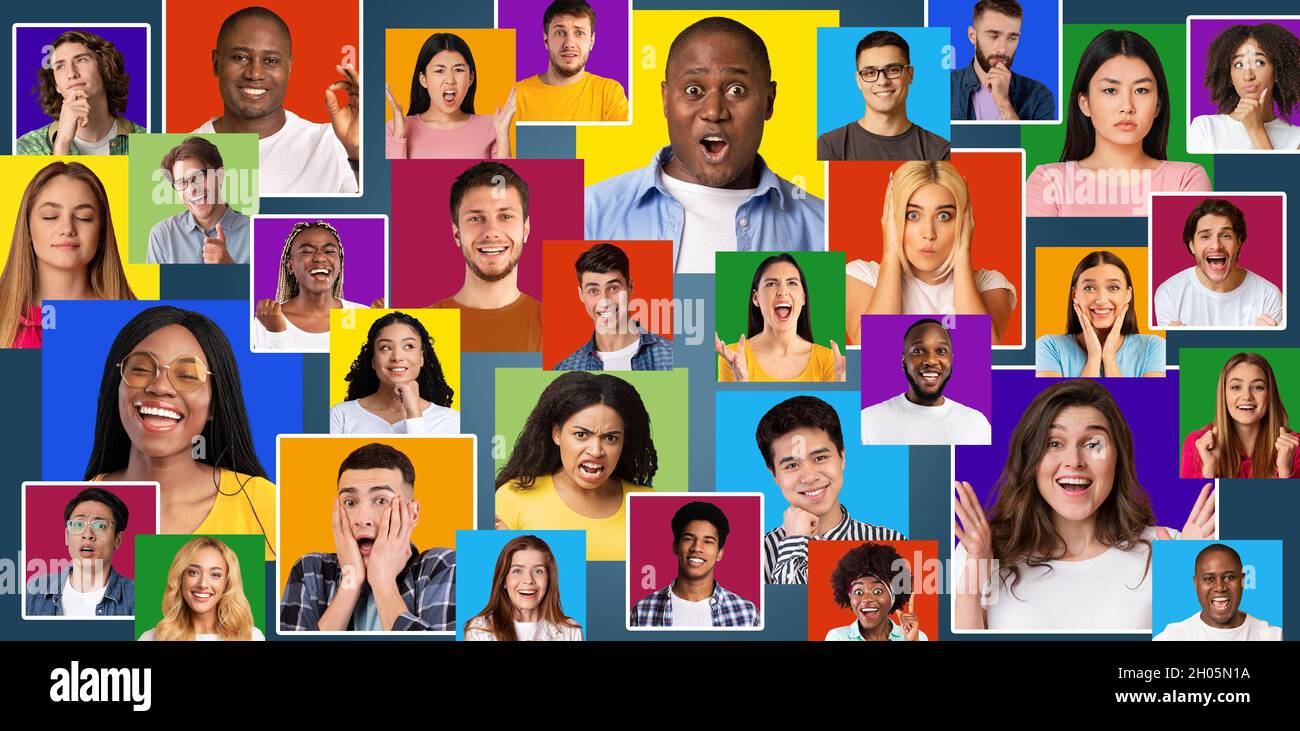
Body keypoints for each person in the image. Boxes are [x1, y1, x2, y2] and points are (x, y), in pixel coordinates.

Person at [953, 379, 1217, 631]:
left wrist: (1189, 583)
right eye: (1054, 443)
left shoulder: (1169, 549)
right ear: (1031, 459)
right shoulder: (982, 551)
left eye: (1093, 444)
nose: (1074, 460)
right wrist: (973, 580)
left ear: (1118, 458)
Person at [584, 17, 824, 274]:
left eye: (736, 90)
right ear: (665, 100)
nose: (713, 111)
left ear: (768, 100)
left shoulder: (822, 227)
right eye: (694, 90)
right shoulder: (589, 213)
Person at [83, 306, 277, 559]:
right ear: (116, 386)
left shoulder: (264, 505)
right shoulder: (74, 508)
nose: (160, 386)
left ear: (214, 405)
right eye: (141, 368)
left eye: (187, 375)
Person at [1026, 30, 1210, 217]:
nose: (1127, 106)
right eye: (1111, 90)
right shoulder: (1048, 181)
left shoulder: (1186, 180)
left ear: (1157, 105)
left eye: (1141, 90)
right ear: (1085, 103)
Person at [280, 443, 456, 632]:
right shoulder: (310, 570)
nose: (362, 520)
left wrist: (383, 581)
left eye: (381, 501)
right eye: (350, 502)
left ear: (412, 515)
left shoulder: (441, 566)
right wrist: (350, 581)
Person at [845, 160, 1016, 345]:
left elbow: (982, 352)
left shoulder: (990, 285)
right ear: (893, 219)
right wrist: (890, 253)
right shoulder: (862, 276)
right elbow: (873, 349)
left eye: (944, 216)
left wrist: (963, 253)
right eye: (912, 215)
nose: (929, 233)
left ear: (962, 222)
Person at [494, 371, 658, 561]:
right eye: (581, 435)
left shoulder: (647, 504)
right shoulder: (513, 497)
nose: (596, 451)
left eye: (610, 438)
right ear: (557, 433)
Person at [196, 6, 359, 195]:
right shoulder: (180, 158)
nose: (255, 73)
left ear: (289, 67)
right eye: (240, 58)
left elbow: (381, 218)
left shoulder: (334, 144)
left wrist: (357, 153)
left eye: (271, 60)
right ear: (216, 63)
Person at [756, 396, 903, 585]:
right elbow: (786, 613)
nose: (809, 477)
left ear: (842, 457)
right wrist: (795, 541)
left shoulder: (892, 543)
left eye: (820, 458)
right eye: (792, 465)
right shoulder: (755, 558)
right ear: (774, 474)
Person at [0, 161, 136, 349]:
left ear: (101, 231)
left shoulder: (132, 321)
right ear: (28, 229)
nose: (67, 229)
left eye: (83, 218)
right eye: (50, 216)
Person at [430, 161, 542, 352]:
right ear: (457, 233)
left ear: (525, 229)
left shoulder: (561, 329)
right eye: (475, 218)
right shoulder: (421, 330)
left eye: (505, 216)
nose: (491, 232)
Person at [818, 30, 951, 160]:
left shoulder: (940, 151)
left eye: (893, 70)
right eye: (870, 72)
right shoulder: (829, 147)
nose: (882, 81)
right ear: (858, 80)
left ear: (910, 74)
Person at [715, 253, 845, 382]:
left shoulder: (828, 360)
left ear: (803, 297)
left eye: (792, 283)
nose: (782, 291)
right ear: (756, 298)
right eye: (771, 284)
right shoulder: (734, 357)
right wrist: (741, 380)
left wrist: (841, 386)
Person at [860, 318, 992, 445]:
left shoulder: (977, 424)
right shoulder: (867, 422)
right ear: (903, 361)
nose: (931, 360)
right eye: (918, 351)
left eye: (941, 351)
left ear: (951, 361)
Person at [1154, 198, 1283, 327]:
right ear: (1192, 245)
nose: (1216, 246)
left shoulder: (1269, 295)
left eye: (1226, 236)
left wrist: (1271, 340)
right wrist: (1170, 343)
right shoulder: (1169, 293)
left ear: (1238, 242)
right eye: (1205, 236)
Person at [384, 32, 515, 159]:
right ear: (423, 79)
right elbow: (387, 179)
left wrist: (502, 134)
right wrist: (399, 137)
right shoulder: (395, 128)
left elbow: (502, 179)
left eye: (458, 70)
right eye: (439, 70)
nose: (450, 79)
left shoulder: (492, 126)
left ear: (470, 78)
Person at [1035, 251, 1165, 378]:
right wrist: (1093, 359)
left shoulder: (1152, 347)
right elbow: (1055, 400)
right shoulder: (1049, 347)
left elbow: (1142, 401)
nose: (1101, 300)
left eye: (1113, 288)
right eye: (1089, 288)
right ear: (1075, 295)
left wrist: (1109, 359)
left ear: (1127, 295)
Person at [629, 501, 759, 627]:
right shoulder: (642, 611)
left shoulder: (747, 614)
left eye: (708, 541)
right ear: (675, 546)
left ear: (719, 553)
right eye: (689, 539)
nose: (697, 547)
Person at [16, 30, 145, 155]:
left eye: (81, 60)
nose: (72, 74)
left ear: (104, 68)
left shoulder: (148, 141)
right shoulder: (26, 147)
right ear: (56, 86)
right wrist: (61, 144)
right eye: (60, 66)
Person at [330, 311, 459, 434]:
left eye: (408, 346)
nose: (397, 357)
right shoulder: (341, 415)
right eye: (386, 348)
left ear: (421, 358)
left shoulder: (450, 420)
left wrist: (414, 414)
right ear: (374, 360)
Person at [252, 220, 370, 352]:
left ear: (339, 264)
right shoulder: (265, 322)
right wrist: (276, 332)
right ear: (290, 265)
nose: (319, 258)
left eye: (329, 251)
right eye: (307, 251)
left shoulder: (364, 316)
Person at [554, 242, 674, 370]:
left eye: (613, 288)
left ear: (630, 287)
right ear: (581, 295)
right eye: (593, 291)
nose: (605, 301)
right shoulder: (565, 369)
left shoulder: (673, 358)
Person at [1180, 352, 1300, 479]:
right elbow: (1192, 499)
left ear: (1270, 395)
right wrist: (1209, 468)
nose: (1247, 396)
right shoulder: (1198, 444)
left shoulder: (1294, 447)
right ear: (1224, 394)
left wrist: (1285, 470)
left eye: (1258, 387)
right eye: (1236, 387)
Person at [25, 487, 135, 617]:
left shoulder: (136, 596)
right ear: (66, 536)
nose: (87, 534)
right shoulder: (35, 590)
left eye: (100, 525)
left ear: (117, 539)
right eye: (78, 524)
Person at [1189, 23, 1300, 151]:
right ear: (1230, 77)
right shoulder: (1205, 128)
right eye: (1238, 65)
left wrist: (1256, 130)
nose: (1248, 76)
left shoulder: (1296, 138)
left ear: (1277, 71)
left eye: (1259, 62)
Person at [514, 0, 628, 122]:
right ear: (546, 40)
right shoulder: (515, 96)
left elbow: (630, 140)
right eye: (560, 33)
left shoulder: (609, 93)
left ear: (592, 41)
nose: (569, 44)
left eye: (579, 33)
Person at [146, 136, 250, 264]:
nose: (191, 190)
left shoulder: (256, 234)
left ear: (220, 175)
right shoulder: (162, 236)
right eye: (181, 183)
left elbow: (271, 284)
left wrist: (230, 270)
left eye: (198, 177)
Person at [138, 536, 264, 640]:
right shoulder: (152, 638)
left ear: (227, 583)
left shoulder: (251, 637)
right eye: (193, 572)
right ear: (180, 578)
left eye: (215, 575)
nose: (203, 584)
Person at [464, 535, 583, 640]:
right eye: (517, 571)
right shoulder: (480, 630)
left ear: (549, 579)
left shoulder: (571, 631)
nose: (529, 580)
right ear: (503, 580)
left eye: (538, 571)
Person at [951, 0, 1054, 121]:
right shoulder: (942, 88)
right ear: (972, 36)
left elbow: (1037, 141)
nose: (1003, 49)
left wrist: (1004, 103)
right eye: (993, 36)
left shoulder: (1039, 95)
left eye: (1012, 38)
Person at [1154, 543, 1283, 640]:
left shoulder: (1274, 637)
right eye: (1209, 579)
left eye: (1229, 577)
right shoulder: (1172, 637)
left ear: (1242, 581)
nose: (1220, 587)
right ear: (1196, 583)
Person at [824, 542, 926, 641]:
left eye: (877, 591)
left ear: (893, 596)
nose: (867, 599)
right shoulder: (838, 637)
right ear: (849, 597)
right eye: (859, 592)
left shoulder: (916, 636)